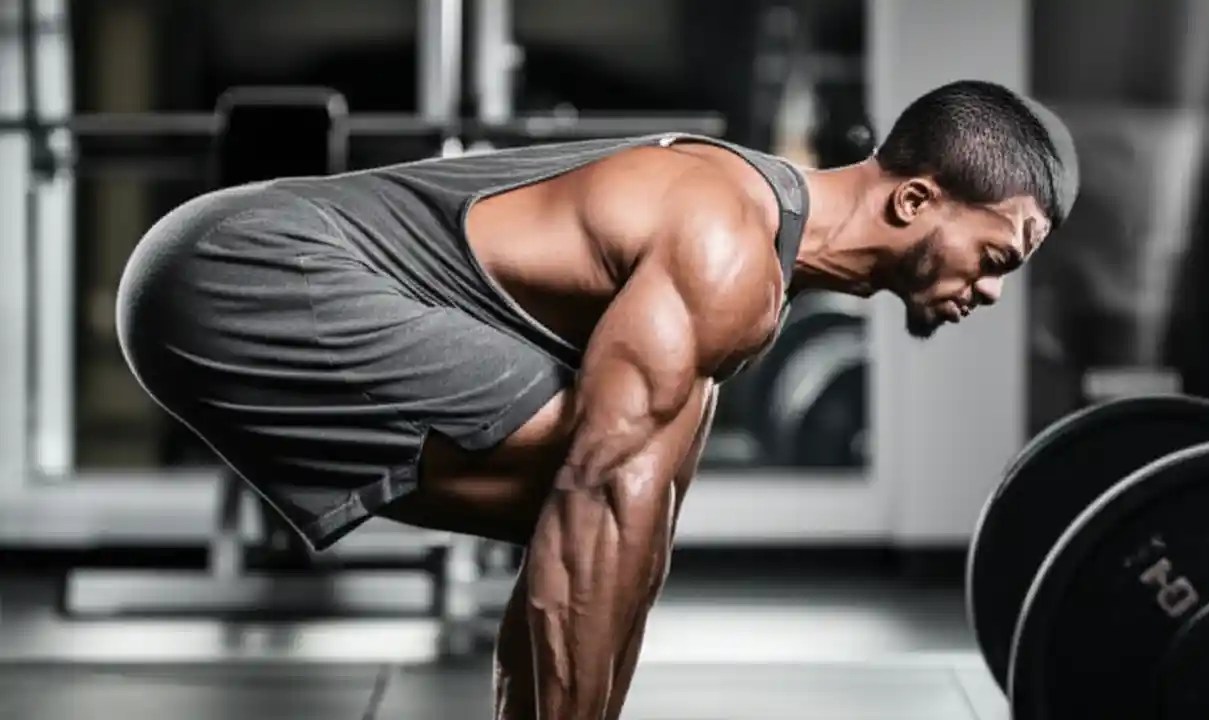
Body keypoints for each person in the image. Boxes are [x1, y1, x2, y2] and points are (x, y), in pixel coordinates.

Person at [115, 79, 1078, 719]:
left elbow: (616, 538)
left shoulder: (754, 255)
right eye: (994, 258)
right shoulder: (726, 248)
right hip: (245, 270)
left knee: (622, 507)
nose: (989, 293)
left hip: (216, 263)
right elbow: (598, 509)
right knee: (608, 497)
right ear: (914, 202)